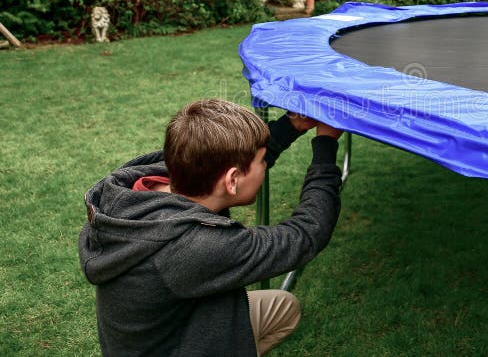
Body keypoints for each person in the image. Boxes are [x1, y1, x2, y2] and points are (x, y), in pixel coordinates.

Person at [78, 99, 343, 356]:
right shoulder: (196, 247)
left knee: (284, 307)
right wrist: (326, 143)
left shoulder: (157, 181)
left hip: (162, 335)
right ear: (232, 180)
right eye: (262, 161)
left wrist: (291, 125)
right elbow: (306, 233)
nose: (265, 163)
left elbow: (234, 162)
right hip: (170, 344)